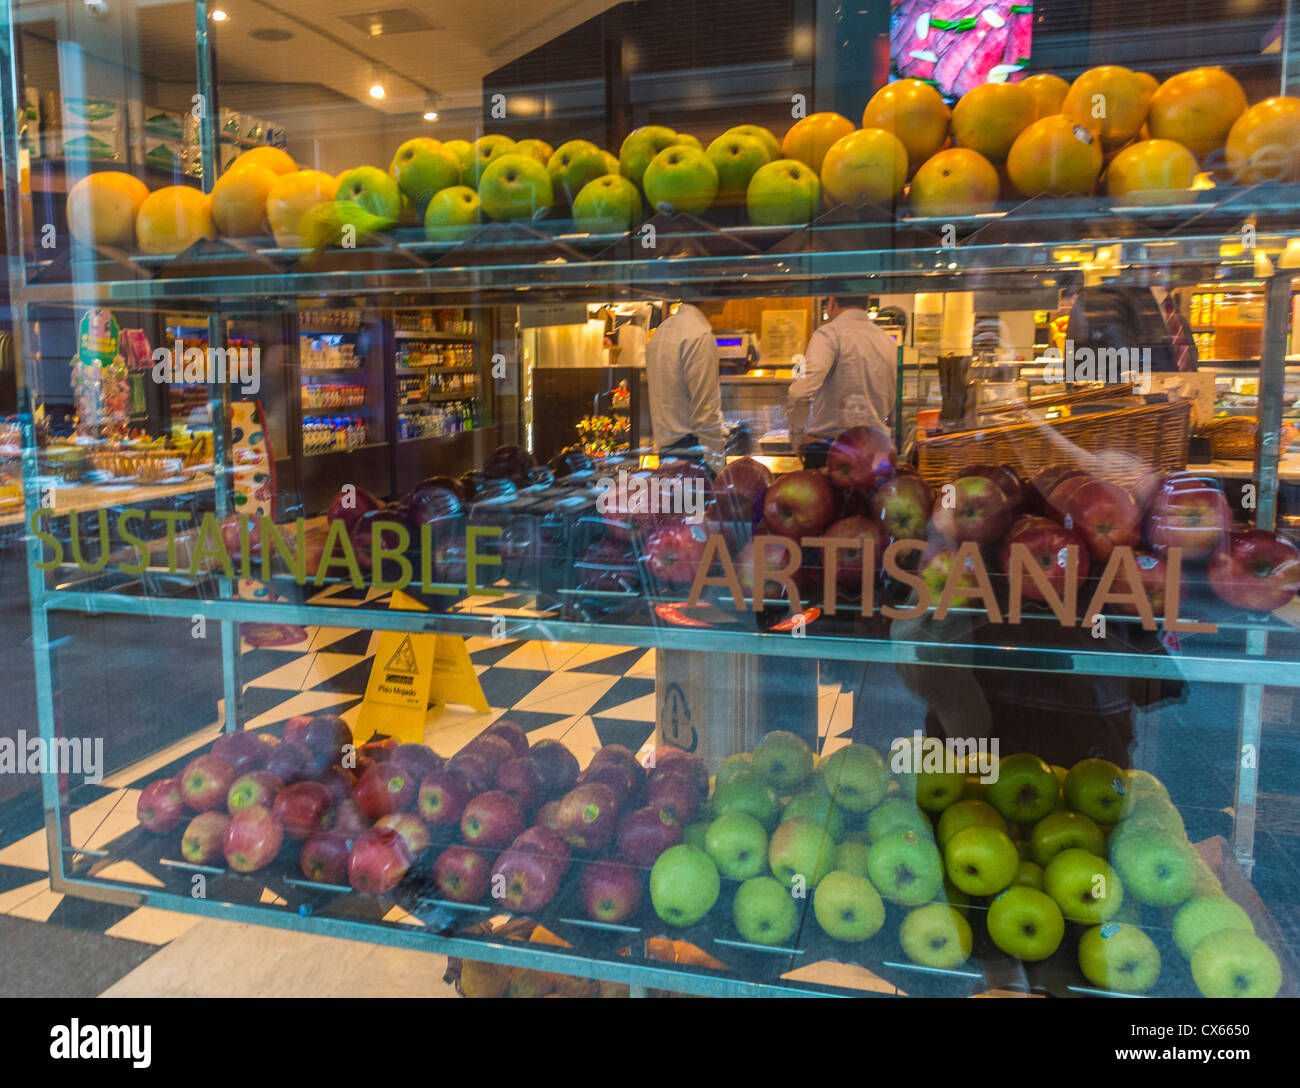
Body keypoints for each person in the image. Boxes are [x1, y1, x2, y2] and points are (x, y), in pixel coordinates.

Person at [786, 294, 898, 468]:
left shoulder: (828, 334)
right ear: (868, 304)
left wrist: (798, 437)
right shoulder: (887, 340)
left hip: (830, 452)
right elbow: (889, 399)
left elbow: (800, 392)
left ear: (831, 302)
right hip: (876, 451)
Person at [644, 299, 727, 471]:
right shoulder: (699, 335)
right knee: (692, 498)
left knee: (676, 498)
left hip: (666, 451)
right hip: (695, 453)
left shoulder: (663, 330)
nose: (727, 298)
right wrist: (717, 468)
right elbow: (706, 412)